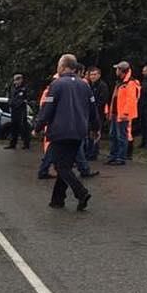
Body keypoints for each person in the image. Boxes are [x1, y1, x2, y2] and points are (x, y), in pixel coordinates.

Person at [34, 53, 98, 212]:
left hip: (60, 131)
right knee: (66, 165)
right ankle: (57, 199)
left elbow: (47, 109)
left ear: (63, 66)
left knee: (61, 166)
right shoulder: (85, 85)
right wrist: (95, 128)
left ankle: (81, 193)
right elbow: (93, 110)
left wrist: (38, 127)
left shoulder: (57, 85)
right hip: (79, 132)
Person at [108, 61, 140, 165]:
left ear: (121, 71)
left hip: (122, 115)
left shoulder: (130, 83)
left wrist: (125, 114)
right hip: (115, 113)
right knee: (113, 135)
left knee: (121, 136)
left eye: (117, 69)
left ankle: (121, 157)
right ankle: (113, 155)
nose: (116, 71)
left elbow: (131, 100)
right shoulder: (120, 82)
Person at [85, 66, 109, 161]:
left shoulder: (102, 86)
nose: (93, 76)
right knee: (89, 132)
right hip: (90, 112)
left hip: (98, 112)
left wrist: (94, 107)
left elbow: (103, 100)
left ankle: (93, 153)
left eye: (95, 74)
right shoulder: (90, 85)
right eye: (91, 74)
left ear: (99, 75)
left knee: (95, 132)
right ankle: (89, 151)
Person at [5, 74, 31, 149]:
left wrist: (17, 103)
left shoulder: (24, 88)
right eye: (15, 79)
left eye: (18, 79)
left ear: (21, 80)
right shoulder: (12, 88)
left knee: (23, 127)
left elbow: (24, 99)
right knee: (14, 127)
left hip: (21, 110)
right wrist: (10, 103)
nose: (16, 81)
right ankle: (12, 144)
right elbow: (10, 97)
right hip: (14, 110)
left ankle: (26, 144)